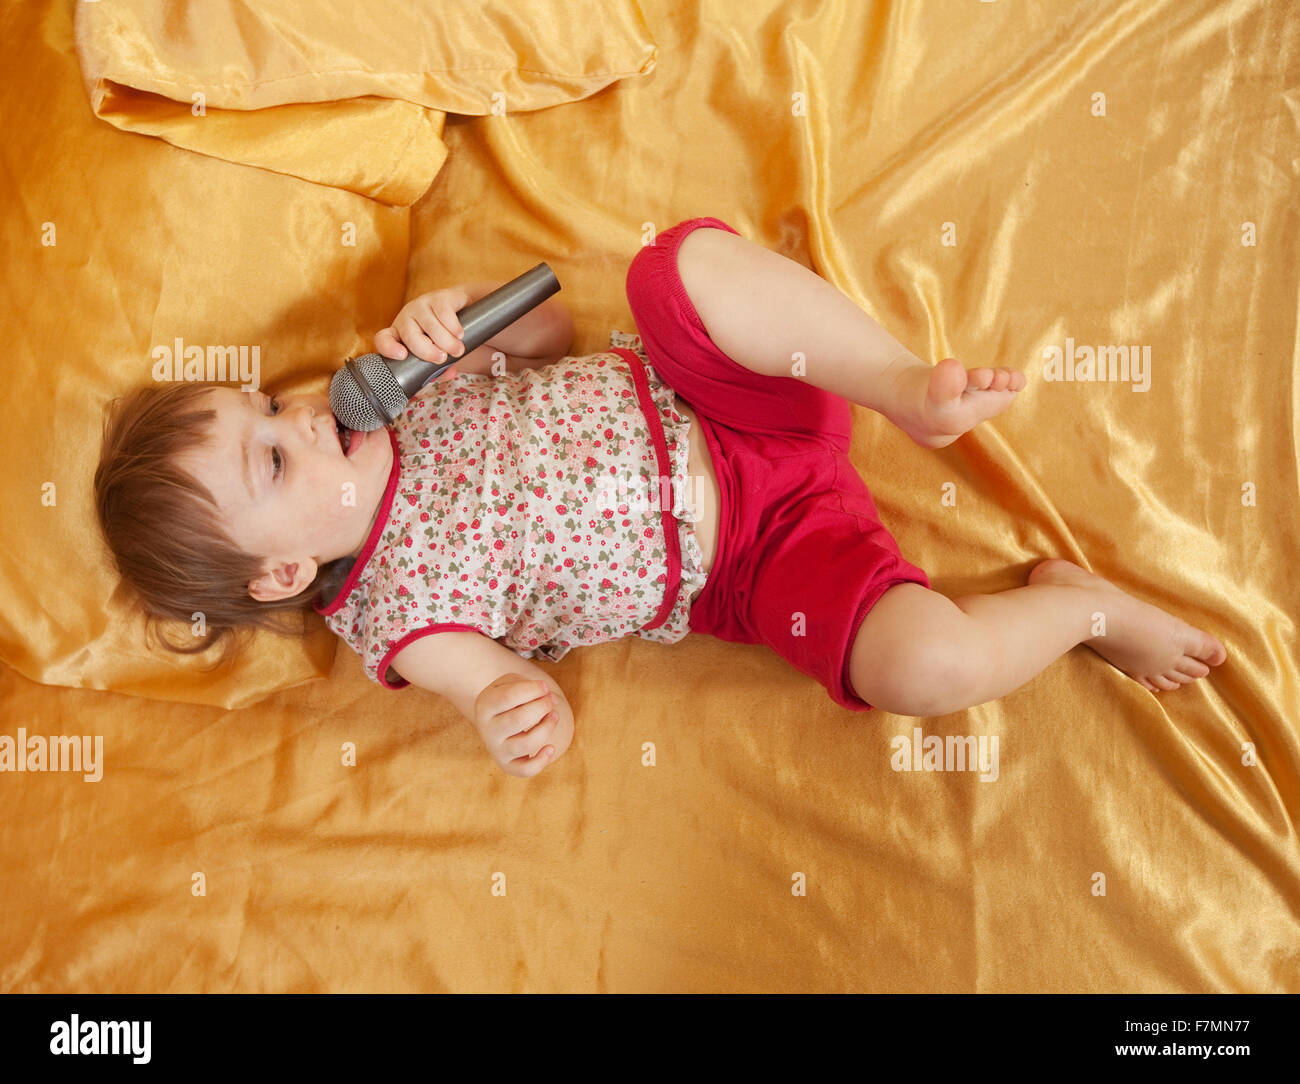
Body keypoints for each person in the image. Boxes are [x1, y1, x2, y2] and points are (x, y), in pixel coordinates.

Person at [93, 217, 1227, 778]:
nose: (297, 417)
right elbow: (490, 679)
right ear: (285, 572)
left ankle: (899, 389)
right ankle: (1082, 610)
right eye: (273, 460)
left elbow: (547, 332)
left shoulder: (390, 385)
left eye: (265, 402)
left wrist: (456, 317)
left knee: (670, 267)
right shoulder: (392, 614)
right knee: (926, 668)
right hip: (757, 556)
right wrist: (508, 709)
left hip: (740, 401)